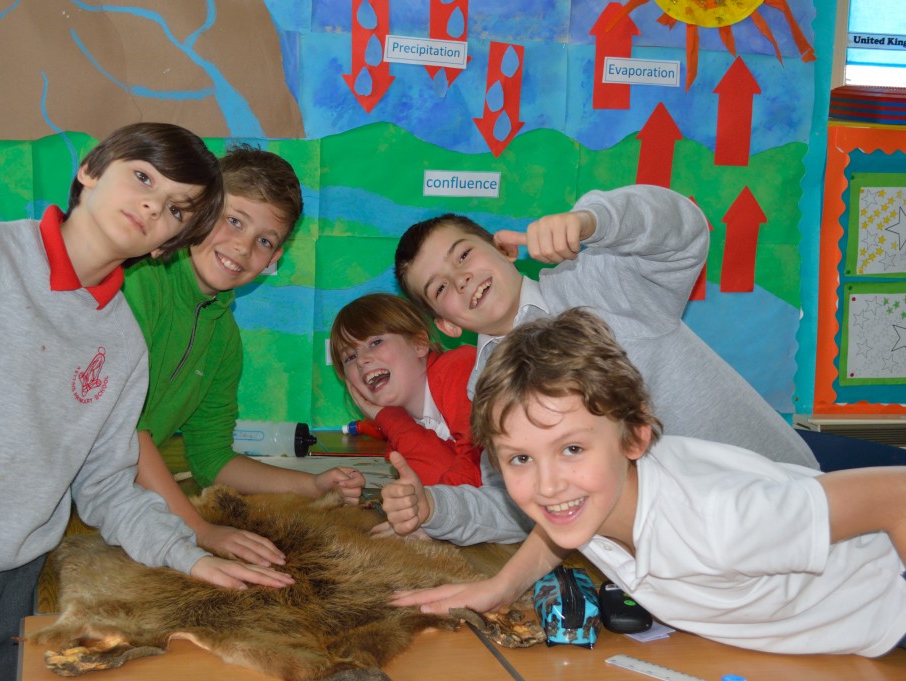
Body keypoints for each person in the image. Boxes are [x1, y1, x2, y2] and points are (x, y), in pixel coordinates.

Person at [0, 123, 293, 681]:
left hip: (14, 581)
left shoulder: (123, 342)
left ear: (171, 241)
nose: (152, 204)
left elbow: (105, 486)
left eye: (176, 209)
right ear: (91, 170)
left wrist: (188, 554)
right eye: (143, 177)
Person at [392, 308, 906, 657]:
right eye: (520, 458)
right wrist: (501, 585)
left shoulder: (720, 522)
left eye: (572, 448)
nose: (548, 486)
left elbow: (896, 495)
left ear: (635, 436)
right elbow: (557, 526)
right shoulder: (593, 497)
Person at [382, 184, 820, 546]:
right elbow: (517, 506)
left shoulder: (594, 278)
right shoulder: (486, 388)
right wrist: (436, 509)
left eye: (463, 256)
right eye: (440, 288)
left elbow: (685, 232)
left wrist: (593, 221)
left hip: (787, 505)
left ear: (504, 250)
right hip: (686, 552)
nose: (461, 279)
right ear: (446, 324)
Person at [123, 144, 366, 567]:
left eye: (264, 240)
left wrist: (311, 486)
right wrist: (199, 529)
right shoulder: (140, 282)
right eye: (233, 220)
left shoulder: (225, 340)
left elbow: (213, 459)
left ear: (273, 259)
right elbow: (123, 429)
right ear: (200, 208)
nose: (241, 247)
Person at [329, 292, 483, 487]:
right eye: (349, 357)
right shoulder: (400, 430)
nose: (361, 360)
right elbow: (435, 486)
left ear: (419, 344)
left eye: (375, 342)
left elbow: (469, 484)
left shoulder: (461, 369)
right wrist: (392, 421)